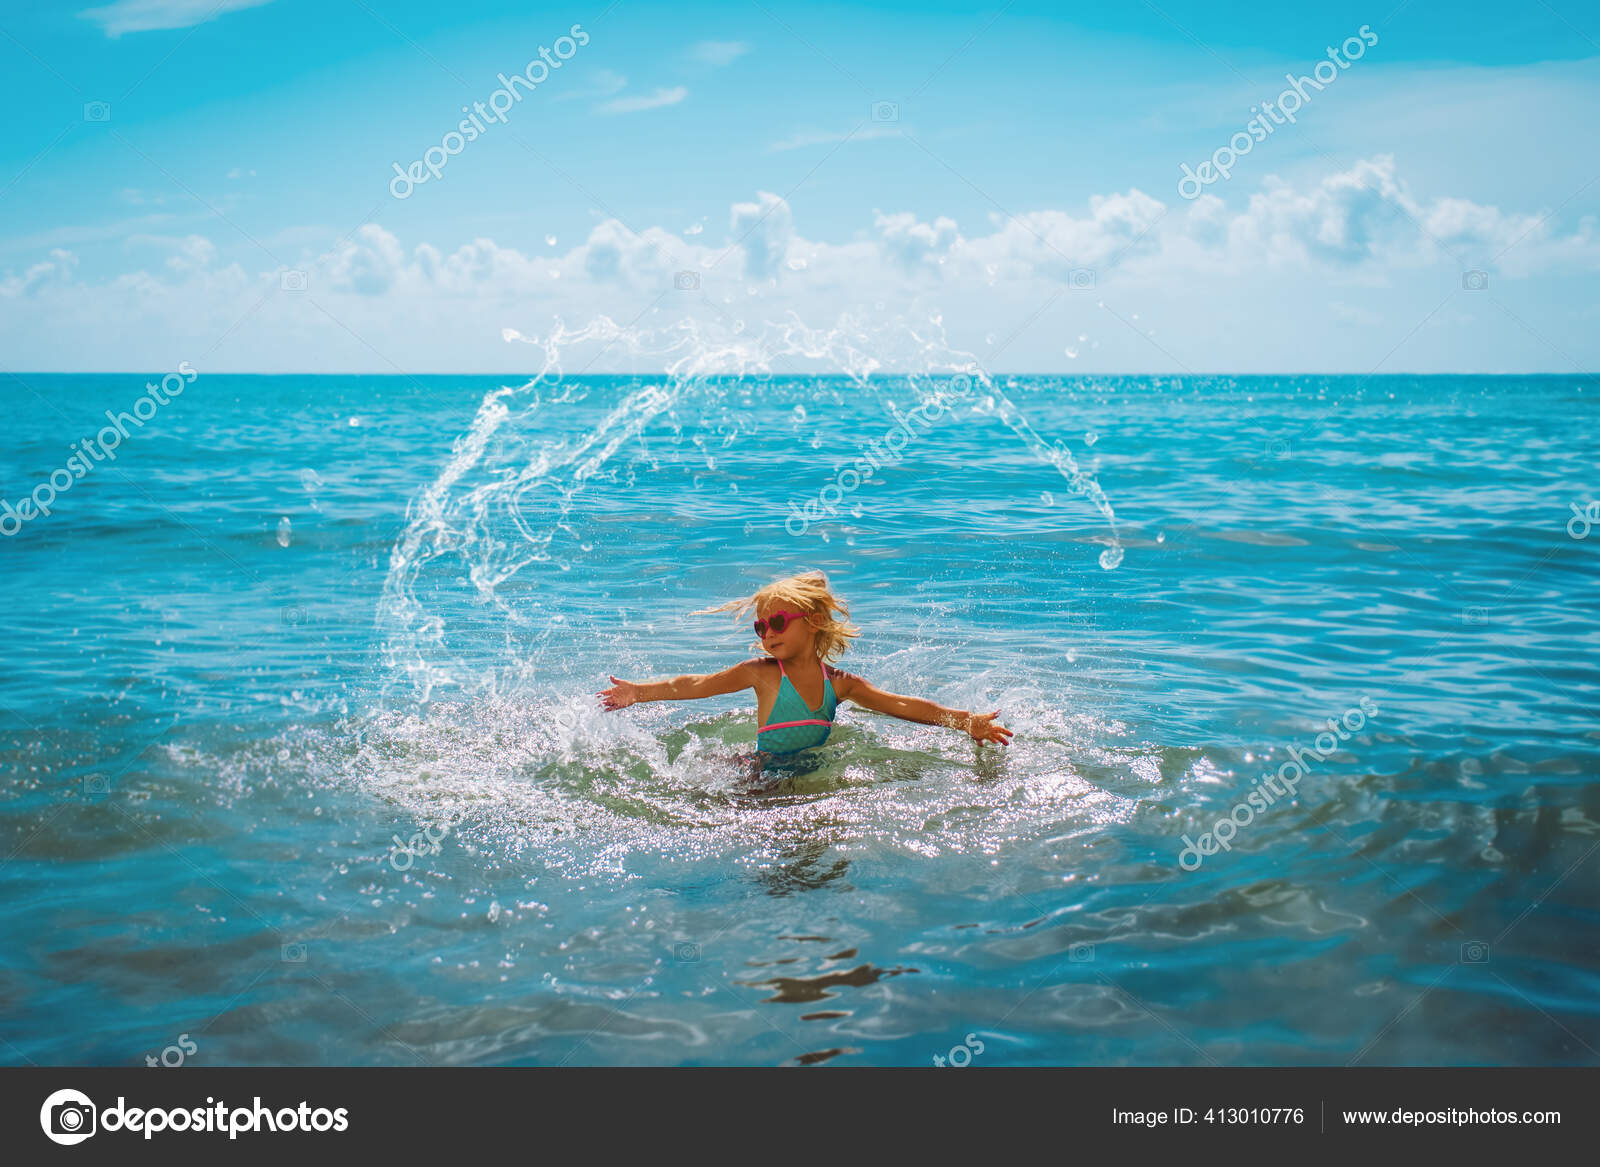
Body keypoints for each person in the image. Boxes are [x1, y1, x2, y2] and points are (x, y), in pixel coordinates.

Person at [597, 570, 1013, 753]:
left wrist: (965, 721)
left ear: (813, 622)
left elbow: (902, 705)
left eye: (777, 621)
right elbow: (695, 685)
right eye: (761, 627)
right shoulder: (760, 675)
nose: (768, 633)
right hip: (759, 773)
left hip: (808, 771)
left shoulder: (842, 683)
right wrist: (639, 692)